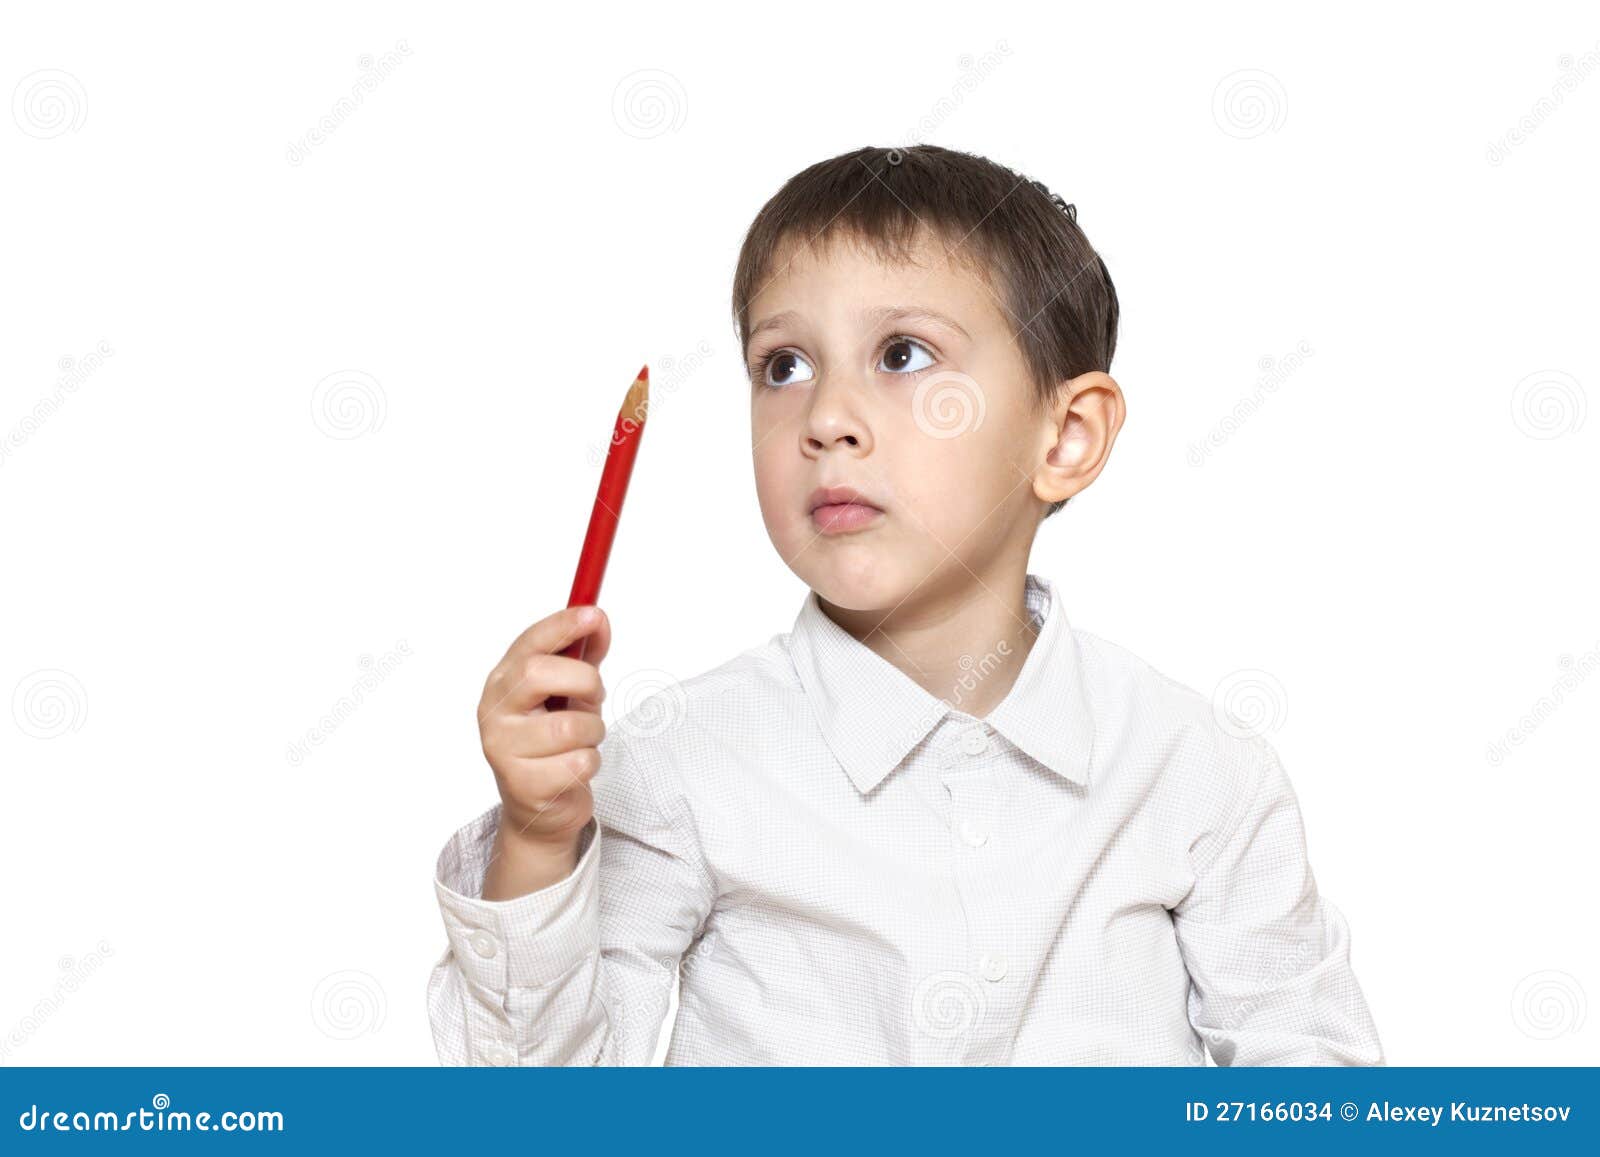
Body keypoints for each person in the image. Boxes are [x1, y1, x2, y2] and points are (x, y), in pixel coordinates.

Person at [426, 144, 1384, 1066]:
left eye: (903, 353)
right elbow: (542, 1106)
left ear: (1068, 435)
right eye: (783, 366)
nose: (826, 418)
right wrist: (539, 839)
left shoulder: (1197, 767)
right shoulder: (680, 762)